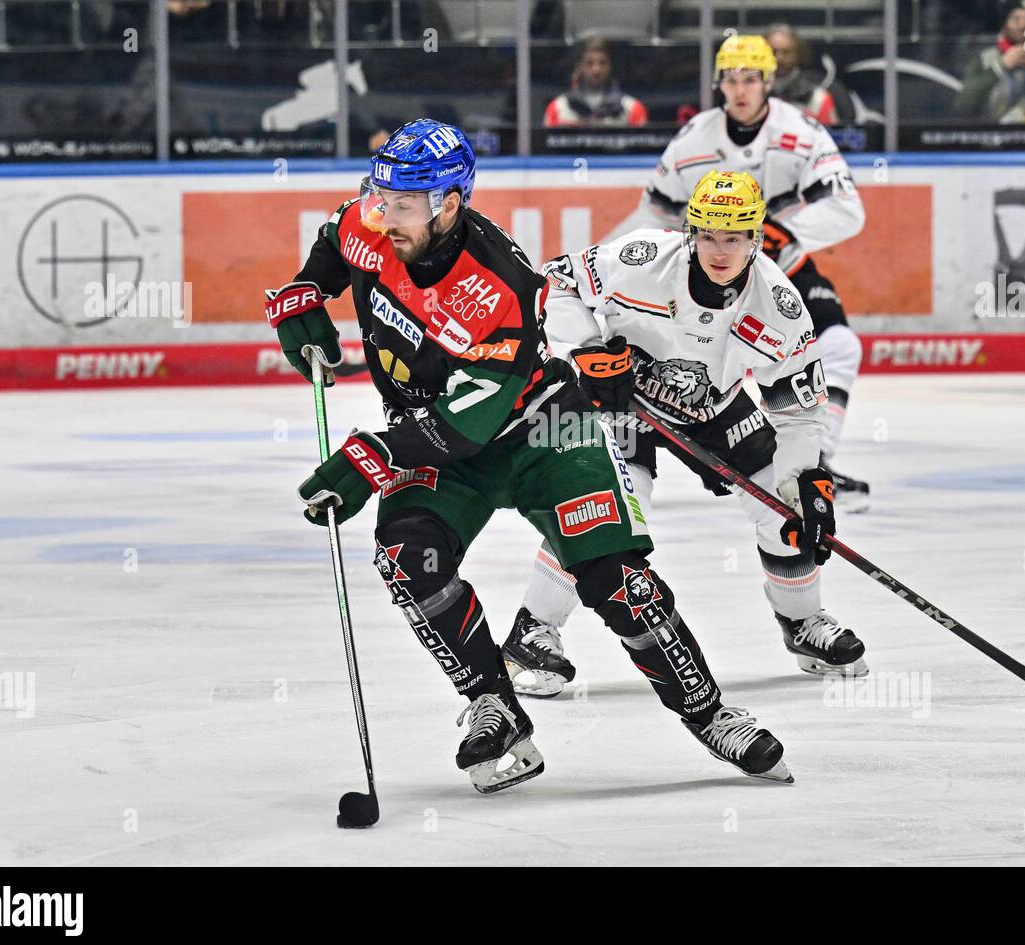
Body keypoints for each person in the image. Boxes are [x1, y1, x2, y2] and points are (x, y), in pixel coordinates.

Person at [268, 118, 792, 790]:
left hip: (543, 435)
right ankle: (494, 704)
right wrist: (305, 291)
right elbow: (335, 241)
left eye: (403, 206)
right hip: (432, 435)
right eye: (380, 197)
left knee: (617, 583)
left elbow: (468, 424)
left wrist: (370, 457)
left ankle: (710, 714)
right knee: (407, 559)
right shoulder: (371, 223)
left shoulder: (500, 287)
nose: (383, 216)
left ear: (449, 203)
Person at [500, 169, 869, 701]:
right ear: (690, 232)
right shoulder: (642, 257)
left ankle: (803, 622)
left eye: (735, 237)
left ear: (757, 239)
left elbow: (798, 413)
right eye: (709, 235)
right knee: (604, 508)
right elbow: (555, 283)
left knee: (785, 514)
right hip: (623, 398)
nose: (720, 250)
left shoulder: (780, 308)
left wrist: (806, 479)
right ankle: (532, 632)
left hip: (714, 406)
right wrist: (587, 349)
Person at [607, 34, 869, 513]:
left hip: (780, 273)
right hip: (710, 274)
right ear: (718, 84)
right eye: (731, 79)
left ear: (769, 81)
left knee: (839, 345)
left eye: (750, 78)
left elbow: (847, 208)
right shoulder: (693, 140)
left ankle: (818, 464)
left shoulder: (802, 132)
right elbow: (655, 214)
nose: (740, 89)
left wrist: (789, 233)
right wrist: (605, 263)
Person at [543, 38, 649, 127]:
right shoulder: (557, 109)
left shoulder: (633, 109)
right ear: (579, 66)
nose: (596, 69)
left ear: (610, 66)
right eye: (589, 63)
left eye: (603, 63)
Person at [764, 24, 847, 126]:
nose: (779, 58)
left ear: (798, 54)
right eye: (773, 52)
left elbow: (829, 136)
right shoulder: (750, 91)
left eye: (786, 52)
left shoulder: (817, 97)